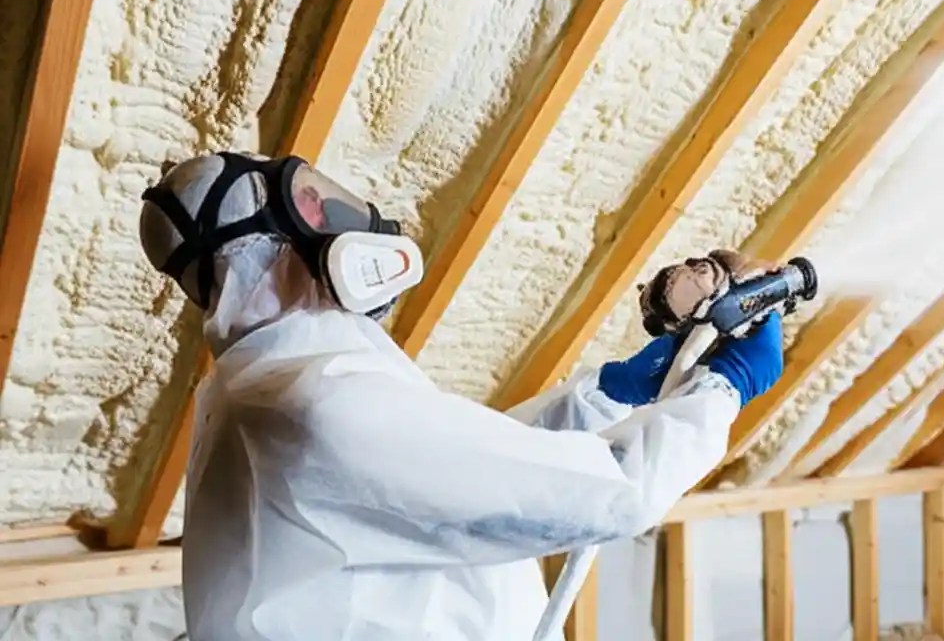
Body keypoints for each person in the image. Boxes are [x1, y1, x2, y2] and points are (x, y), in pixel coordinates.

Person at [138, 152, 785, 641]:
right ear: (265, 243)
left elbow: (462, 465)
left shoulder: (267, 382)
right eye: (311, 204)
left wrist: (605, 395)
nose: (339, 215)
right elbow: (610, 495)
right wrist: (724, 390)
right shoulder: (315, 404)